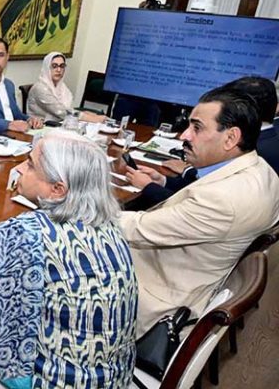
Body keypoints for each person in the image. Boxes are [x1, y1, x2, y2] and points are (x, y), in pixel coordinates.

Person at [0, 133, 137, 388]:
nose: (19, 168)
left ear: (57, 189)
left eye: (30, 165)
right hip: (112, 379)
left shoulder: (29, 233)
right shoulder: (112, 229)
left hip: (46, 381)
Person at [121, 88, 279, 336]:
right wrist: (162, 183)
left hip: (157, 296)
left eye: (197, 128)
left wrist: (81, 206)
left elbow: (137, 229)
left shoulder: (222, 200)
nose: (185, 135)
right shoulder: (263, 171)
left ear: (230, 138)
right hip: (193, 271)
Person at [127, 76, 279, 208]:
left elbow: (200, 203)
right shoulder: (271, 140)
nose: (184, 136)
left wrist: (149, 186)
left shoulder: (249, 150)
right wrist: (164, 180)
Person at [27, 51, 105, 123]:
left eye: (62, 66)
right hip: (42, 128)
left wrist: (87, 114)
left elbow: (67, 109)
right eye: (54, 66)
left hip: (59, 125)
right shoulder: (40, 88)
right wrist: (94, 119)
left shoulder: (62, 87)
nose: (58, 70)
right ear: (47, 68)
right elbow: (61, 112)